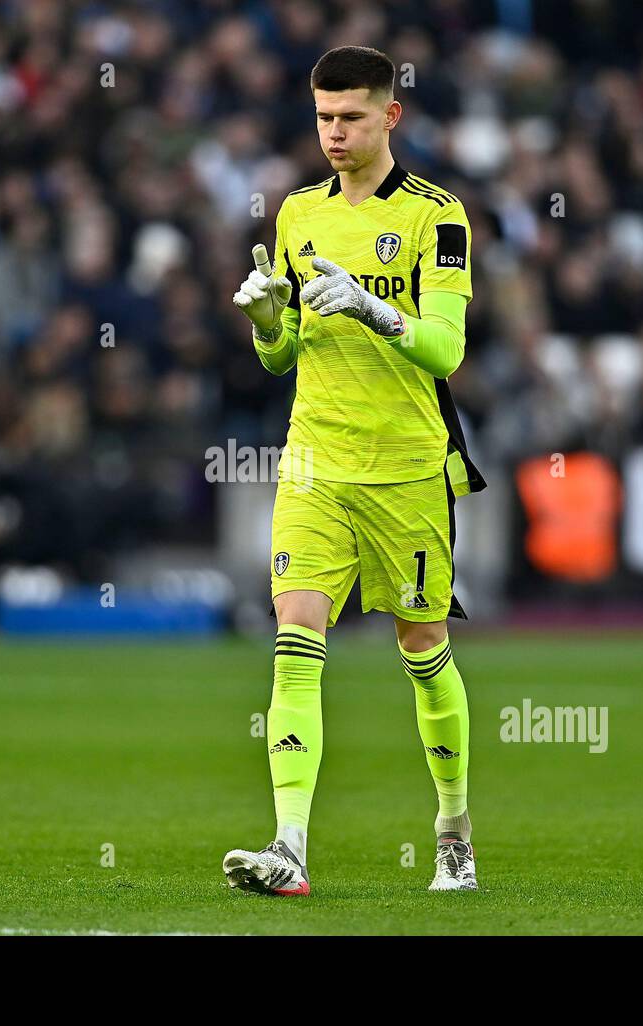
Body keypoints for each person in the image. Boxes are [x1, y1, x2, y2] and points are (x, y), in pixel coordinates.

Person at [225, 46, 485, 896]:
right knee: (294, 644)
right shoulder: (296, 215)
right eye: (324, 118)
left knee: (423, 649)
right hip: (314, 463)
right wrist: (270, 325)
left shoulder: (437, 218)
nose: (335, 134)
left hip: (408, 470)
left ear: (390, 118)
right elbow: (283, 357)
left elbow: (445, 349)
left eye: (352, 118)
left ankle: (453, 833)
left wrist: (374, 308)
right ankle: (289, 849)